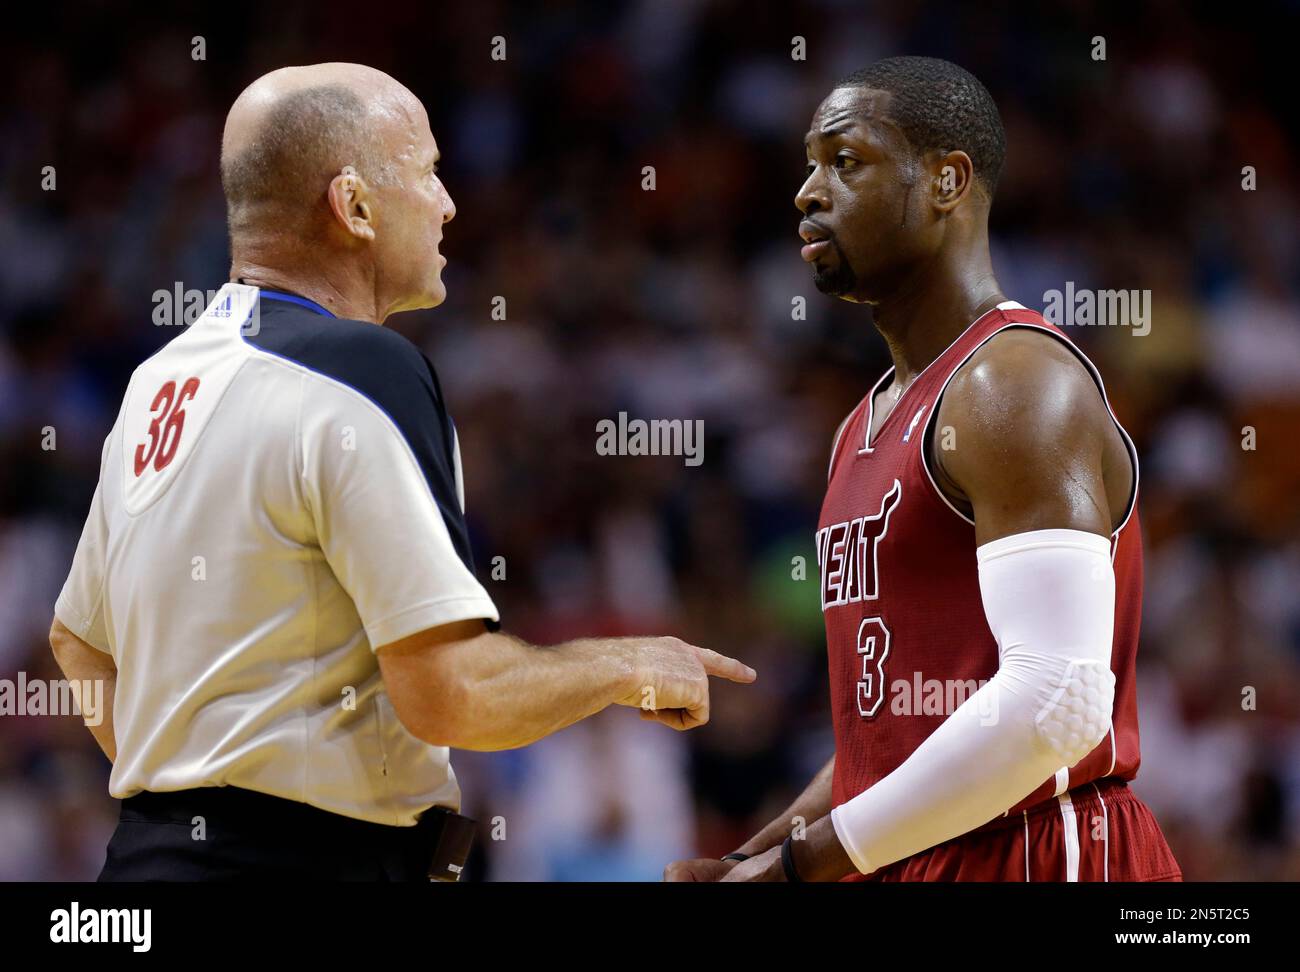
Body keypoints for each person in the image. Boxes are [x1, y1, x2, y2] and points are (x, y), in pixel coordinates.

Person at [49, 62, 754, 882]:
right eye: (425, 171)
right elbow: (449, 693)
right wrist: (629, 665)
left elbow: (77, 641)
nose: (449, 202)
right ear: (353, 206)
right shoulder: (363, 367)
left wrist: (184, 792)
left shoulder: (158, 379)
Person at [666, 55, 1180, 882]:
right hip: (916, 854)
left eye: (846, 161)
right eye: (807, 162)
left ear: (946, 181)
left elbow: (1060, 703)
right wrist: (755, 857)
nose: (806, 191)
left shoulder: (1014, 383)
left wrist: (803, 868)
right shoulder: (860, 424)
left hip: (1040, 851)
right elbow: (901, 727)